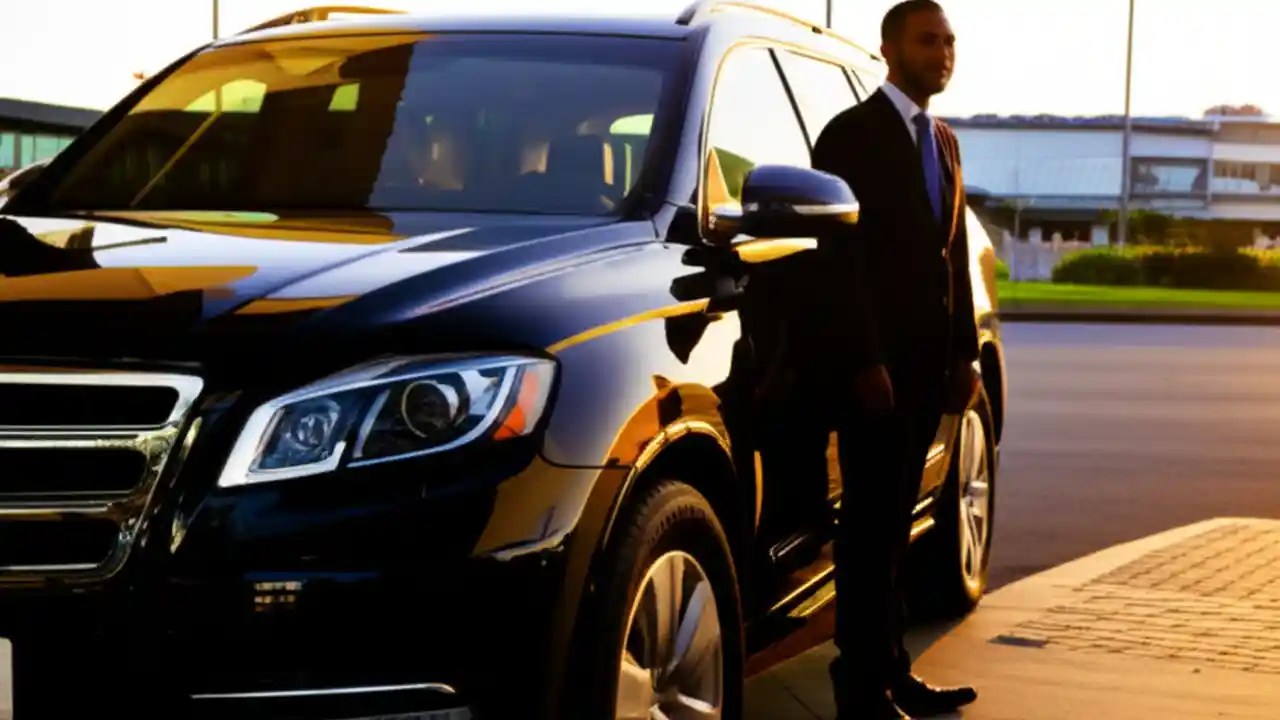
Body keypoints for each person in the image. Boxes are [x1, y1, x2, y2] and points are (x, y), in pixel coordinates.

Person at [808, 1, 981, 718]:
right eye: (927, 40)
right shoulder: (851, 136)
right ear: (889, 49)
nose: (941, 52)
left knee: (899, 529)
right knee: (868, 534)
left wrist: (966, 357)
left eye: (949, 41)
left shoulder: (942, 140)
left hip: (928, 372)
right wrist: (862, 361)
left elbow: (952, 263)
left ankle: (894, 670)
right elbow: (836, 264)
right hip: (872, 376)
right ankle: (859, 686)